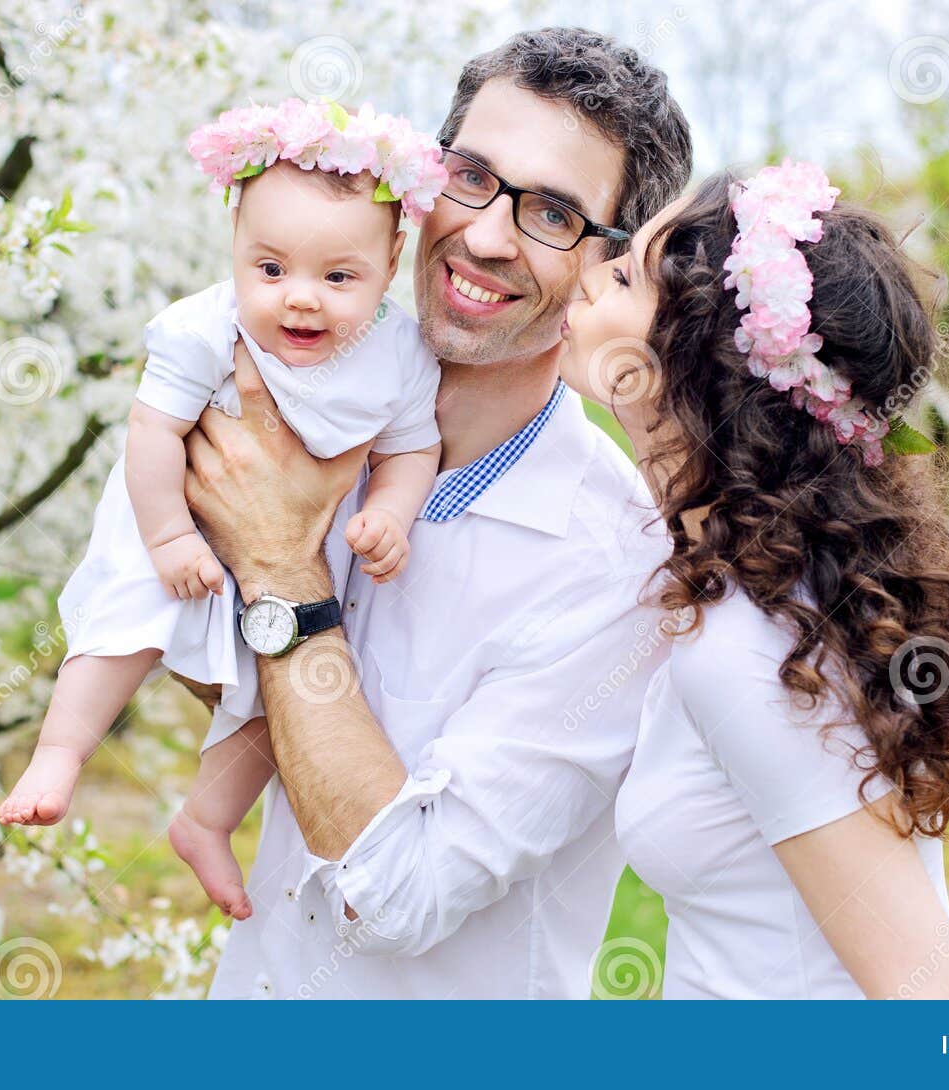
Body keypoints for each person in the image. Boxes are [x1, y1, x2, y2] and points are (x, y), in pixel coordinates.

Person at [176, 28, 693, 998]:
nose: (486, 237)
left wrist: (282, 572)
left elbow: (395, 897)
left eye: (552, 214)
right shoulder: (306, 413)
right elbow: (240, 686)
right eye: (472, 178)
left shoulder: (616, 573)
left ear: (606, 266)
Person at [558, 160, 949, 998]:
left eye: (623, 276)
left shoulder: (752, 649)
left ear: (696, 362)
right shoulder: (756, 593)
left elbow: (933, 998)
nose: (588, 274)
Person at [0, 101, 447, 926]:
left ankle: (206, 821)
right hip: (176, 509)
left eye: (338, 278)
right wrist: (169, 536)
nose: (301, 300)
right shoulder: (206, 327)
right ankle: (59, 754)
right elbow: (152, 430)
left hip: (301, 538)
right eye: (270, 269)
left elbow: (412, 449)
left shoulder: (401, 354)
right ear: (235, 244)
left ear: (391, 263)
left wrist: (390, 511)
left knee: (283, 695)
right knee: (125, 624)